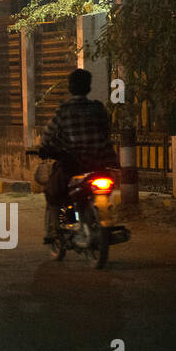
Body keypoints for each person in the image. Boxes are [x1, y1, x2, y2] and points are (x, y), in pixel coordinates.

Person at [39, 68, 116, 243]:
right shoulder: (98, 108)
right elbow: (107, 130)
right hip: (100, 163)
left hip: (75, 164)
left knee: (53, 192)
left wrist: (43, 148)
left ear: (70, 87)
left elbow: (48, 135)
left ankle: (54, 232)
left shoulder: (65, 110)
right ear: (88, 88)